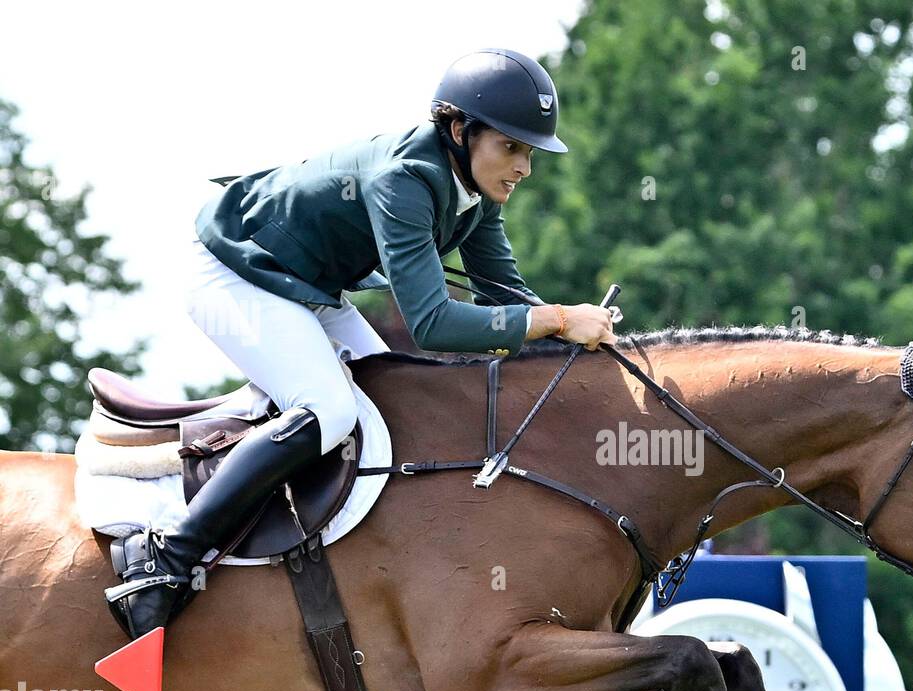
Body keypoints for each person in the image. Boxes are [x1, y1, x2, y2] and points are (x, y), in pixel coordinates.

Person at [104, 48, 617, 640]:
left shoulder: (475, 193)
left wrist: (582, 338)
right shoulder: (404, 181)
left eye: (529, 152)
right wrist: (555, 320)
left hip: (304, 283)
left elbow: (504, 294)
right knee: (329, 409)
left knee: (400, 403)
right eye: (512, 147)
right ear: (459, 130)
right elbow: (433, 325)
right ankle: (165, 561)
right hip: (234, 272)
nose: (524, 166)